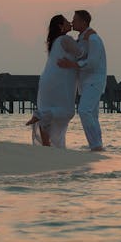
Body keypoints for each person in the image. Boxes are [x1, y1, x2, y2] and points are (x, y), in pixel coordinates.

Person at [28, 14, 80, 148]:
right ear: (61, 26)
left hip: (49, 82)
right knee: (67, 112)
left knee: (54, 117)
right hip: (59, 82)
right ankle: (41, 115)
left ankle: (47, 145)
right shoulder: (65, 39)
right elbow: (82, 53)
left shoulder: (55, 42)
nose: (70, 23)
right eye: (67, 21)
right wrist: (87, 38)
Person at [58, 9, 106, 151]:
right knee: (92, 114)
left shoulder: (93, 39)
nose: (72, 22)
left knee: (84, 111)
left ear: (83, 22)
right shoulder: (84, 38)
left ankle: (95, 145)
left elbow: (92, 63)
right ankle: (97, 145)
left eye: (75, 20)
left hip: (94, 81)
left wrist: (72, 64)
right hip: (86, 82)